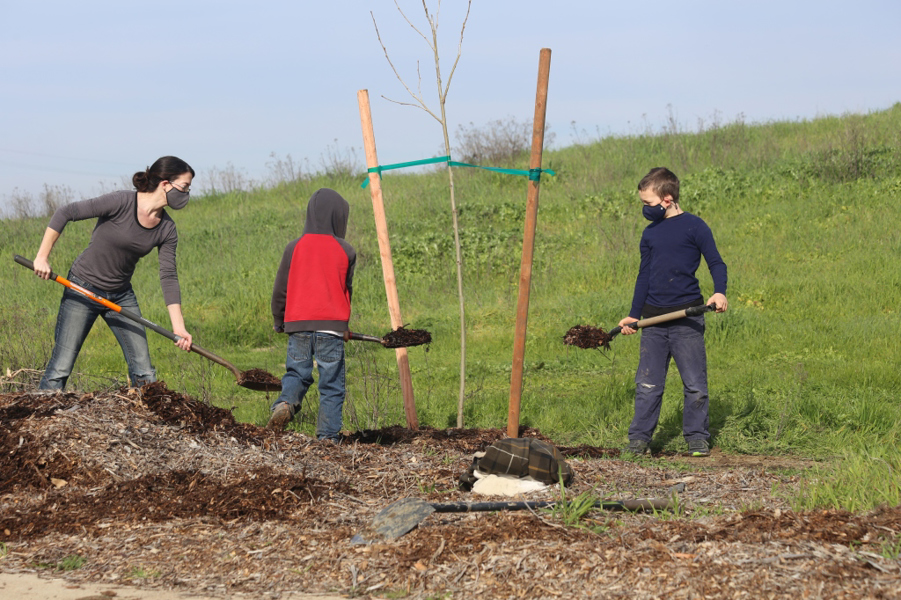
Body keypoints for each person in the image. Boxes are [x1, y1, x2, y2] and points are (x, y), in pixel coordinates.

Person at [30, 156, 195, 390]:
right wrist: (42, 257)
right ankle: (42, 418)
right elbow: (66, 212)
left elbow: (168, 276)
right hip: (82, 287)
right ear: (165, 184)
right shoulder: (121, 202)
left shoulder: (167, 229)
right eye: (184, 187)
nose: (187, 193)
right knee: (60, 369)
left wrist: (178, 327)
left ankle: (150, 424)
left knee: (144, 372)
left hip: (120, 295)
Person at [618, 167, 728, 457]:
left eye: (649, 204)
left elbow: (716, 263)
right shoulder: (650, 234)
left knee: (695, 385)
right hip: (653, 320)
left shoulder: (695, 227)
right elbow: (644, 276)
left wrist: (719, 291)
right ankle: (639, 440)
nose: (645, 209)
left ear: (667, 198)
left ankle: (696, 438)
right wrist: (634, 314)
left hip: (687, 319)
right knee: (647, 385)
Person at [267, 188, 356, 441]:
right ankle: (327, 438)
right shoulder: (346, 250)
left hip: (298, 326)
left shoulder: (293, 247)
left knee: (297, 373)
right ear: (338, 217)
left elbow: (280, 288)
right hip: (331, 327)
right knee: (331, 385)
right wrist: (344, 326)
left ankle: (285, 404)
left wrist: (278, 319)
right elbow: (345, 290)